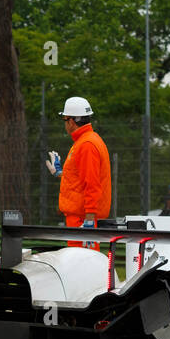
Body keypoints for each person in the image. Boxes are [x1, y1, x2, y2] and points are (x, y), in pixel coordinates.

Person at [45, 96, 111, 239]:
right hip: (82, 216)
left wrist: (89, 219)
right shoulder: (86, 141)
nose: (65, 125)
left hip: (82, 218)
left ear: (72, 121)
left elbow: (92, 183)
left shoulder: (86, 144)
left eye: (65, 120)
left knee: (83, 260)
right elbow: (80, 178)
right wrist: (59, 173)